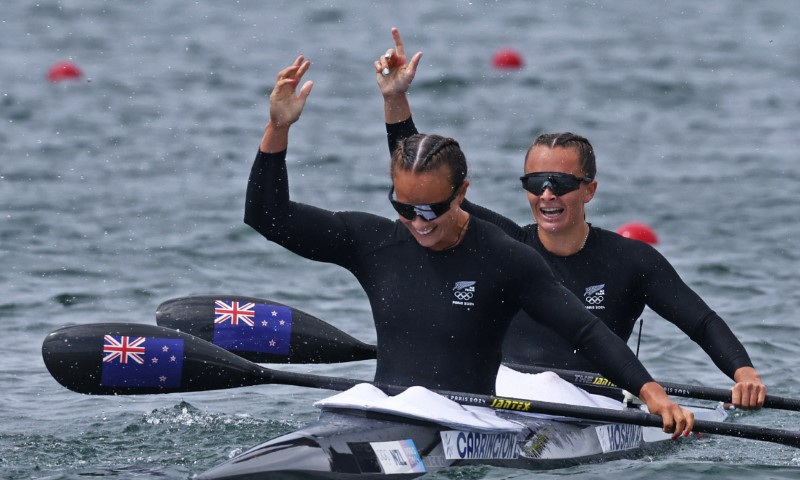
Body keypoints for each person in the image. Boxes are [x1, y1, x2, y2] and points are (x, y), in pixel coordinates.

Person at [245, 55, 695, 436]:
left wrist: (651, 394)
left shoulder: (504, 257)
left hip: (467, 426)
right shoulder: (371, 240)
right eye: (404, 208)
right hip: (382, 412)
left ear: (461, 193)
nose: (418, 223)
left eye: (431, 210)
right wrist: (277, 128)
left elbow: (585, 331)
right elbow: (268, 217)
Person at [374, 27, 767, 410]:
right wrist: (395, 98)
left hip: (589, 408)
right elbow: (422, 182)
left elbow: (701, 322)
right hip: (505, 400)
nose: (547, 194)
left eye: (560, 183)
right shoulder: (504, 247)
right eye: (536, 183)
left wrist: (744, 373)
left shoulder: (631, 260)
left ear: (589, 190)